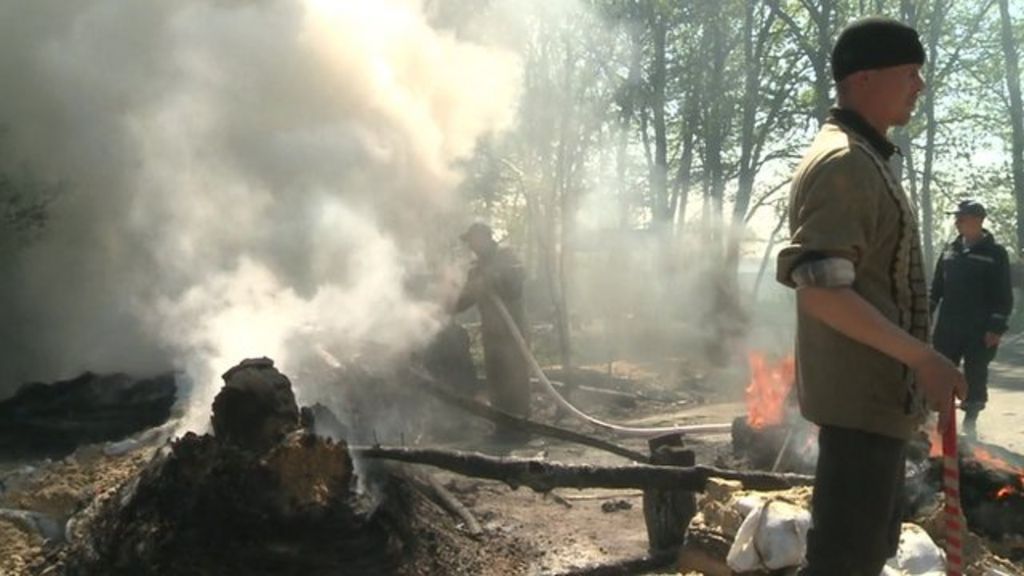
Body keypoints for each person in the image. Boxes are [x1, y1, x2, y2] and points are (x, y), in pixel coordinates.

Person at [775, 17, 966, 576]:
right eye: (909, 73)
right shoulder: (846, 163)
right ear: (862, 79)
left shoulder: (866, 157)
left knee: (864, 557)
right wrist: (922, 357)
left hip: (876, 408)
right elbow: (821, 294)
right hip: (859, 409)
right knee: (844, 564)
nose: (919, 86)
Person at [930, 199, 1013, 436]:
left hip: (980, 328)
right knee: (942, 370)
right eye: (956, 218)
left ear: (978, 220)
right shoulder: (950, 250)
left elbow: (1003, 294)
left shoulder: (995, 254)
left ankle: (971, 421)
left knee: (975, 372)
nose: (957, 222)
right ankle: (942, 423)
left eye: (961, 217)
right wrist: (927, 310)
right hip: (948, 326)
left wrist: (996, 327)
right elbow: (936, 288)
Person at [454, 223, 531, 443]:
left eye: (474, 239)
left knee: (515, 378)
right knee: (496, 379)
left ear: (486, 238)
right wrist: (445, 305)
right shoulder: (475, 270)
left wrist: (494, 278)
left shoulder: (507, 256)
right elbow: (463, 301)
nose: (471, 245)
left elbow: (517, 283)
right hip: (492, 334)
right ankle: (502, 427)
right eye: (469, 241)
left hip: (512, 331)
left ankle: (521, 426)